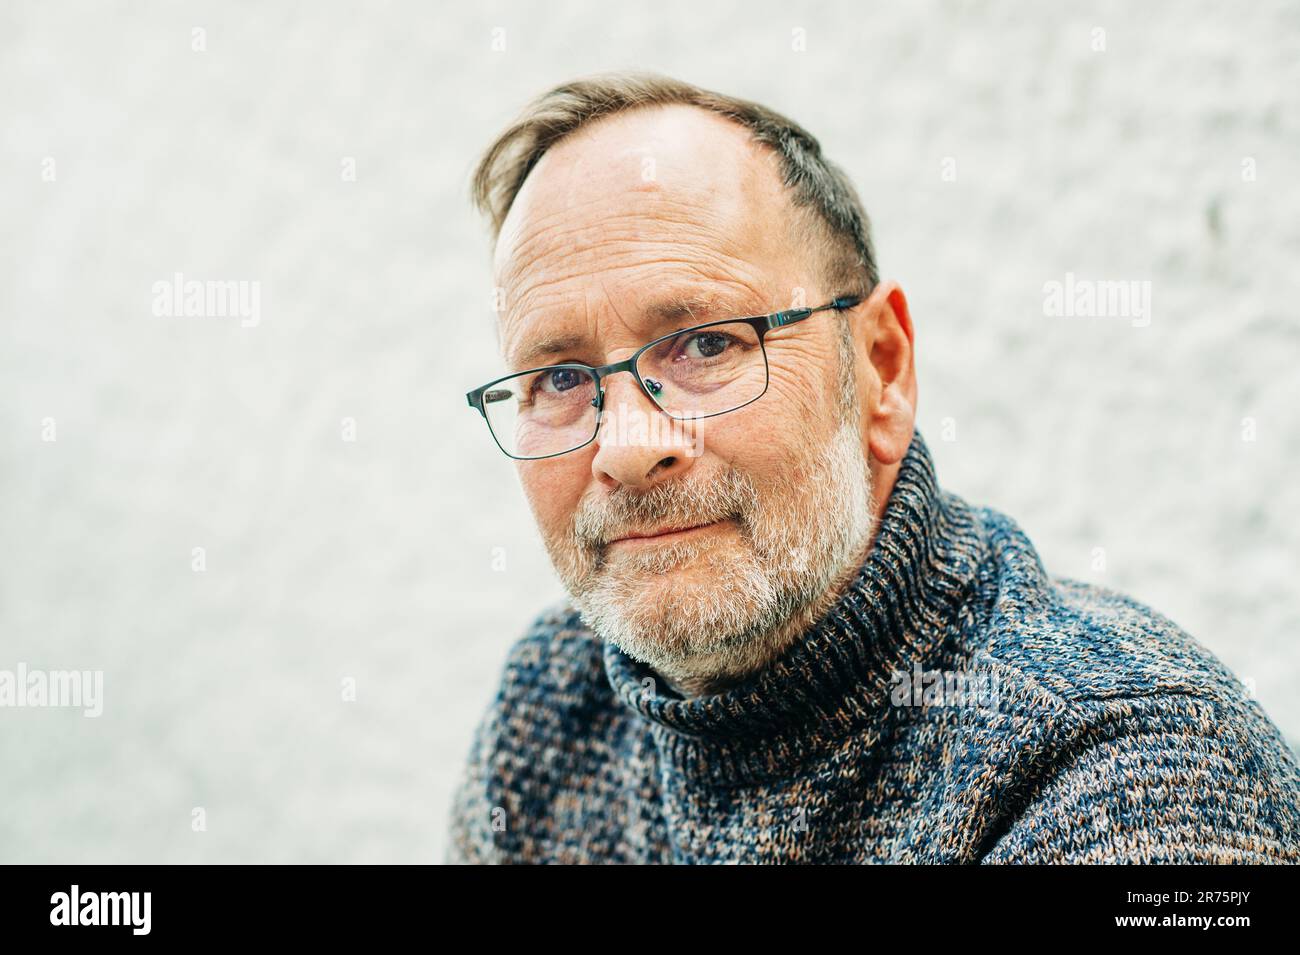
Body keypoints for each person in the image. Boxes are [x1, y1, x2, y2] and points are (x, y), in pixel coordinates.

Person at [448, 71, 1300, 863]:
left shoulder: (1133, 774)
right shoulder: (554, 703)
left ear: (882, 371)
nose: (628, 447)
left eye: (708, 343)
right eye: (558, 379)